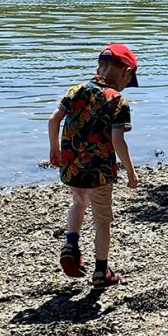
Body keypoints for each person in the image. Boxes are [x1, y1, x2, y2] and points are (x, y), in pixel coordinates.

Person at [47, 44, 141, 287]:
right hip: (99, 171)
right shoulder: (117, 101)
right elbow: (117, 140)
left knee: (78, 203)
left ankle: (71, 244)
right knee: (102, 220)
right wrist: (130, 170)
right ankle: (101, 272)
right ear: (127, 73)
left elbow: (53, 119)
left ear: (99, 65)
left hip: (71, 165)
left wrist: (54, 149)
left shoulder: (76, 90)